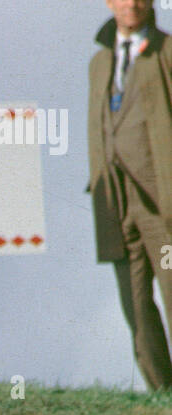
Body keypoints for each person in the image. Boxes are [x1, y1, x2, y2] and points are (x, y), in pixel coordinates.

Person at [88, 1, 172, 390]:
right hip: (117, 206)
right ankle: (162, 394)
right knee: (135, 306)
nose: (132, 4)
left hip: (163, 205)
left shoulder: (166, 52)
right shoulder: (100, 63)